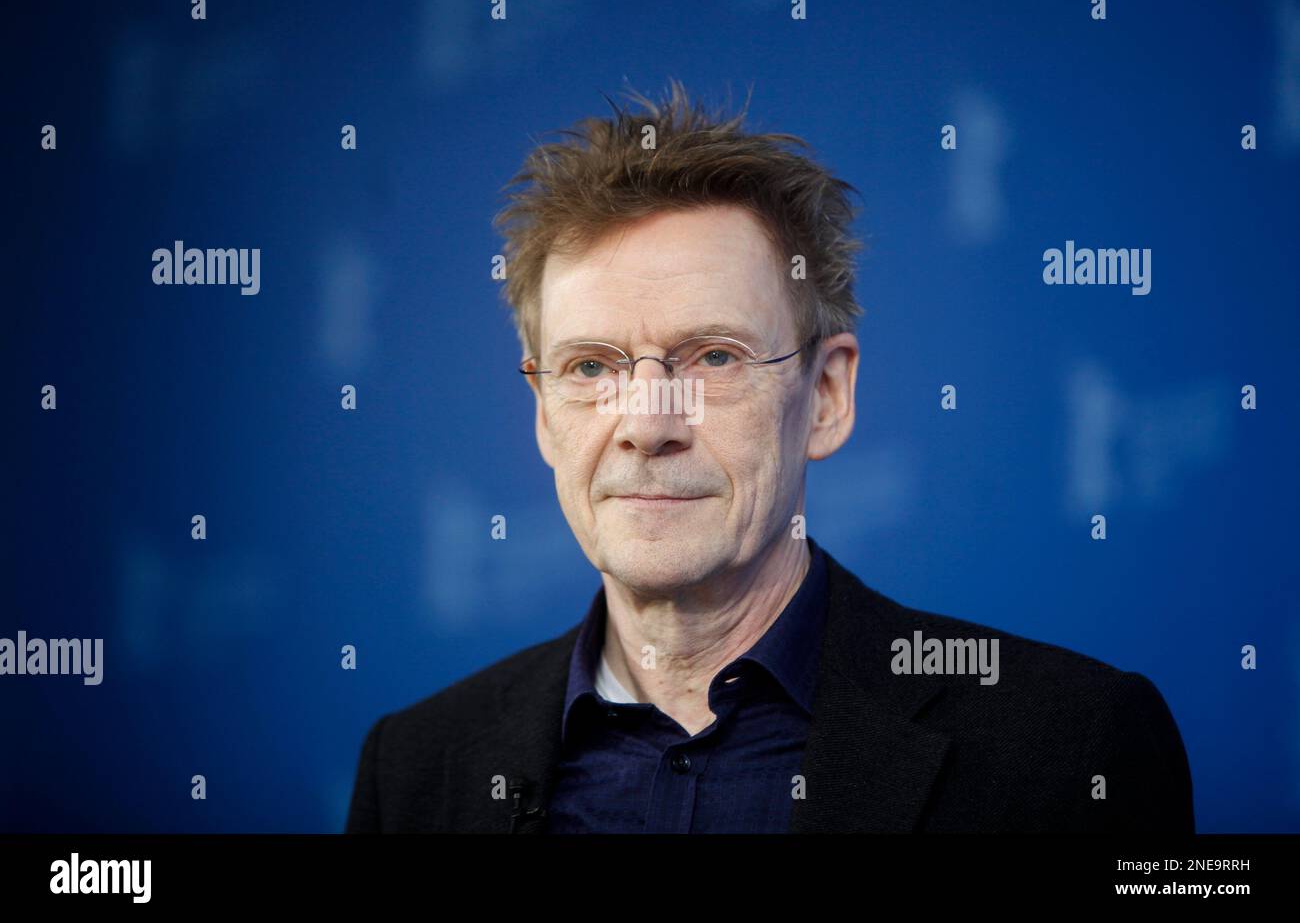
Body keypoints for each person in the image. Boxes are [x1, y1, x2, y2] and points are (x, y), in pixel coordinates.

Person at [345, 81, 1194, 833]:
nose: (648, 424)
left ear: (826, 397)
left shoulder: (1071, 746)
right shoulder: (417, 769)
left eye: (713, 357)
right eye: (591, 367)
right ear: (541, 413)